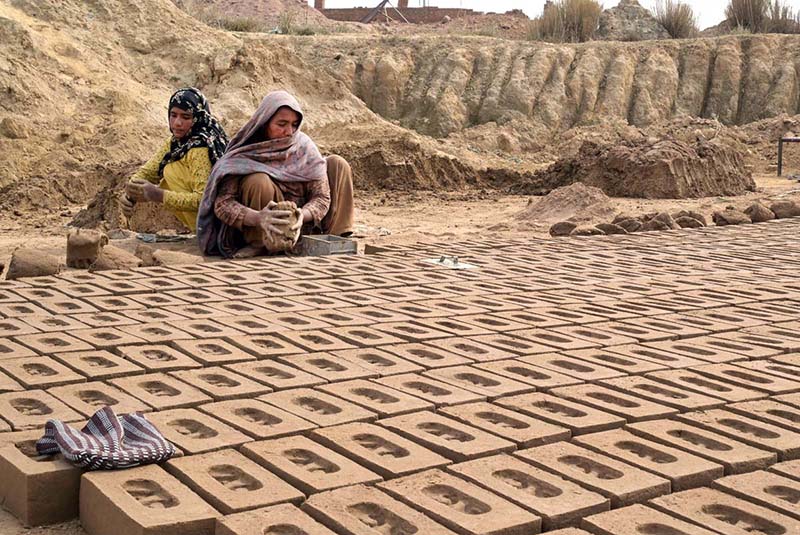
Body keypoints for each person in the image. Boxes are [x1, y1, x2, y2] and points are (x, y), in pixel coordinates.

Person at [197, 90, 354, 257]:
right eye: (282, 124)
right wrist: (258, 218)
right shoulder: (246, 152)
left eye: (294, 125)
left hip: (302, 227)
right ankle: (261, 244)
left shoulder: (304, 148)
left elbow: (321, 197)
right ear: (265, 123)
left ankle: (333, 239)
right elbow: (223, 204)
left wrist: (302, 215)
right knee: (258, 180)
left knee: (337, 164)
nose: (289, 132)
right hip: (263, 228)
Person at [120, 87, 228, 232]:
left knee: (171, 170)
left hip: (219, 222)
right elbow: (149, 171)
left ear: (198, 118)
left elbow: (202, 200)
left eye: (186, 117)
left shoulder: (200, 147)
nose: (177, 123)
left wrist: (158, 195)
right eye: (173, 115)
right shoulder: (179, 141)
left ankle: (205, 233)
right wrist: (129, 193)